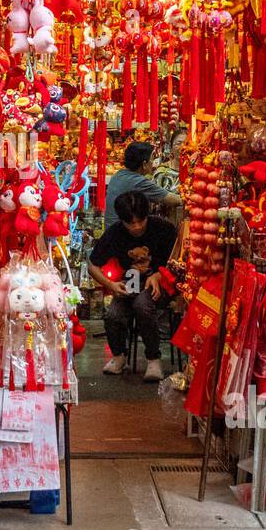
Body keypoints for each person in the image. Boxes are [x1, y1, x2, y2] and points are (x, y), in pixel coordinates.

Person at [88, 190, 178, 382]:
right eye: (131, 223)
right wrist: (110, 284)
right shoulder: (115, 233)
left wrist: (159, 274)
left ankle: (153, 359)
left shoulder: (164, 229)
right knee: (113, 314)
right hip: (130, 284)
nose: (136, 227)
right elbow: (92, 265)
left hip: (162, 284)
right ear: (122, 221)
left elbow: (179, 258)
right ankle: (119, 356)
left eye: (140, 222)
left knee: (142, 305)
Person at [103, 140, 181, 228]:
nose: (153, 163)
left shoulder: (118, 175)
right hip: (122, 233)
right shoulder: (138, 181)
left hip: (111, 230)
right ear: (144, 164)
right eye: (152, 159)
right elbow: (173, 200)